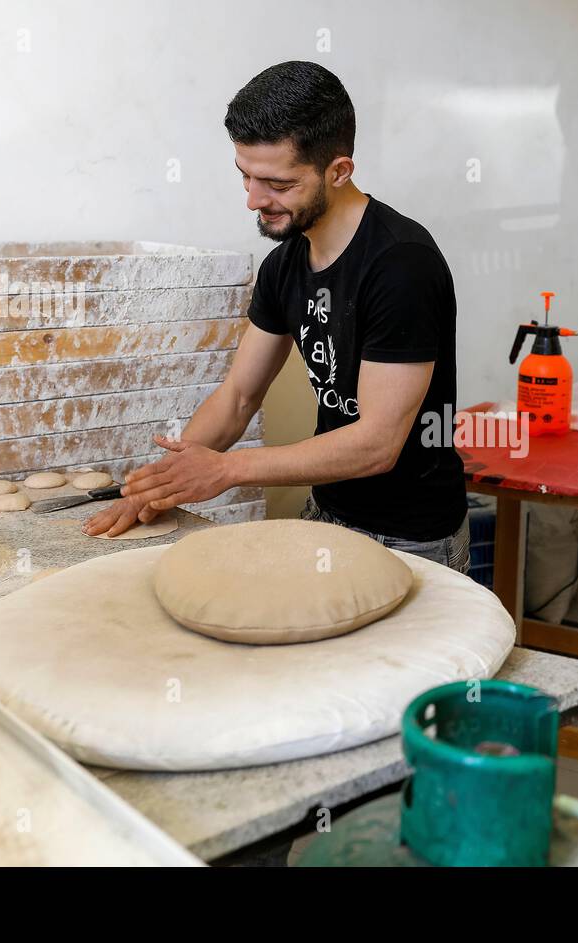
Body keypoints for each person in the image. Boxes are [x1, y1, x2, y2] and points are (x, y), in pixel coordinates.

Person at [84, 61, 469, 573]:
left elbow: (377, 444)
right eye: (245, 176)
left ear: (339, 171)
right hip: (329, 515)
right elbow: (238, 397)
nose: (253, 200)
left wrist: (227, 470)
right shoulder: (285, 263)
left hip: (413, 537)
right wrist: (163, 483)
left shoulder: (401, 265)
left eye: (277, 184)